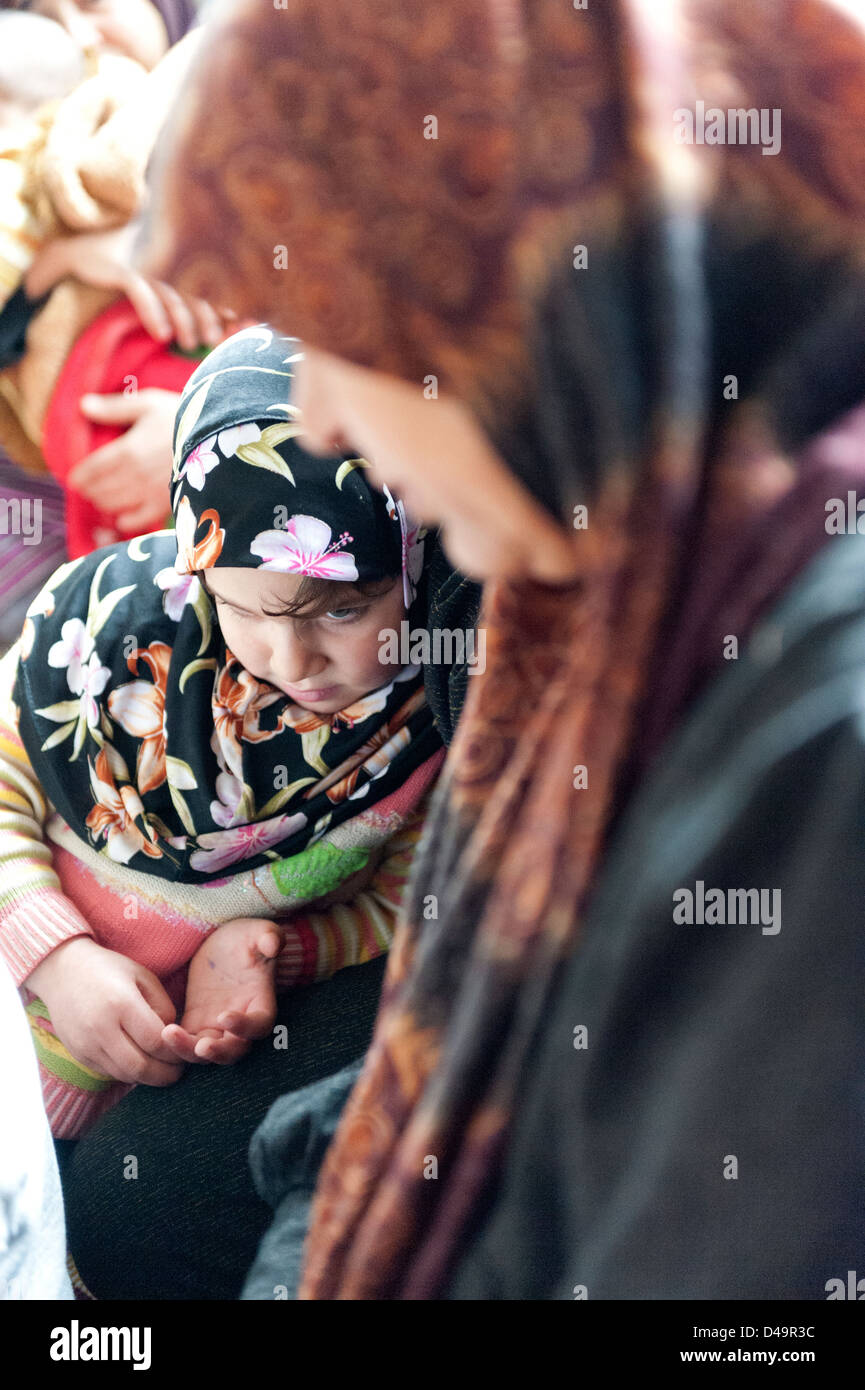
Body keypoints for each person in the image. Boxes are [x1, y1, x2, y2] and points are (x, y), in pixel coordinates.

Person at [137, 0, 865, 1301]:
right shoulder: (582, 577)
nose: (312, 423)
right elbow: (418, 1078)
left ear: (517, 315)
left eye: (341, 342)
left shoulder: (823, 757)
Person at [0, 324, 444, 1153]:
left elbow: (402, 907)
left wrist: (273, 952)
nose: (290, 659)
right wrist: (53, 957)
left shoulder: (424, 736)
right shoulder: (102, 629)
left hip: (104, 1130)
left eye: (341, 610)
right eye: (242, 610)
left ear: (416, 556)